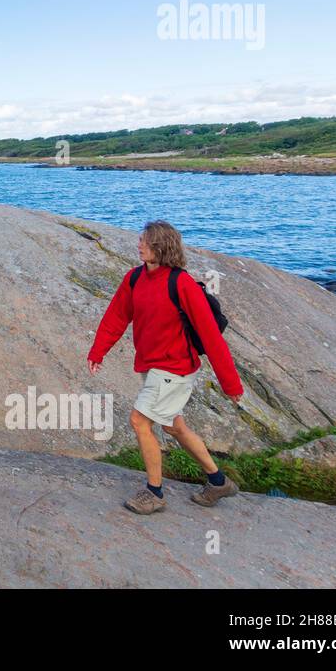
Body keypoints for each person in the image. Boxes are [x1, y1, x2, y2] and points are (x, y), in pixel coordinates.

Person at [87, 220, 244, 515]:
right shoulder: (134, 278)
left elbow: (211, 337)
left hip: (174, 369)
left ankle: (155, 493)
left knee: (139, 421)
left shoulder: (182, 283)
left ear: (160, 245)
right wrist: (99, 351)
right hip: (153, 366)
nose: (139, 245)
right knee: (174, 426)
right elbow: (116, 317)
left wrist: (231, 385)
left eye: (144, 241)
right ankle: (218, 481)